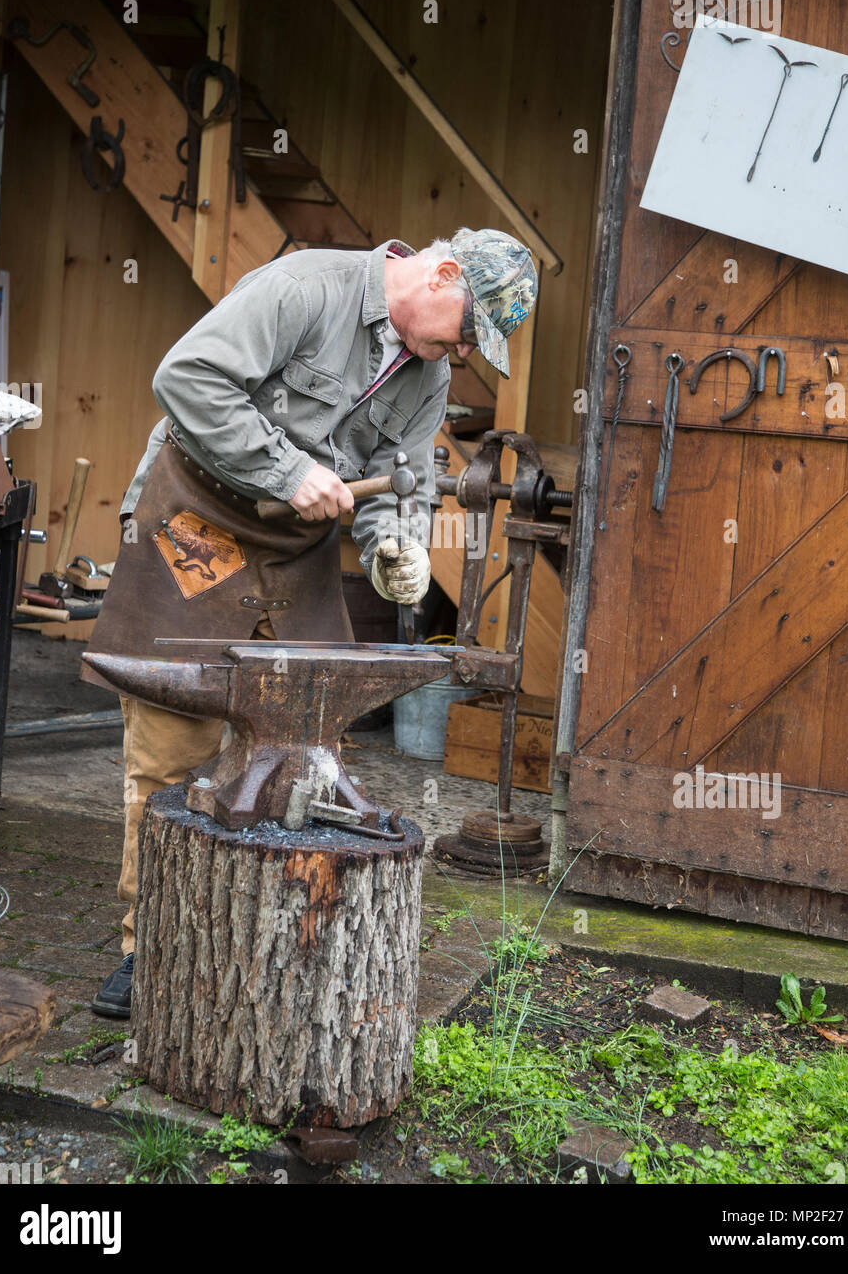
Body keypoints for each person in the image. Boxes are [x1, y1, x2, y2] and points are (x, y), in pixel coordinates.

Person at [83, 227, 538, 1018]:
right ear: (444, 273)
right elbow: (186, 378)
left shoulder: (425, 373)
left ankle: (247, 946)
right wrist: (289, 470)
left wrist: (398, 544)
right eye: (468, 330)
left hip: (296, 554)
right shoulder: (305, 288)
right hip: (200, 526)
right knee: (172, 750)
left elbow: (402, 478)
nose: (463, 351)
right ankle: (146, 946)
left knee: (297, 749)